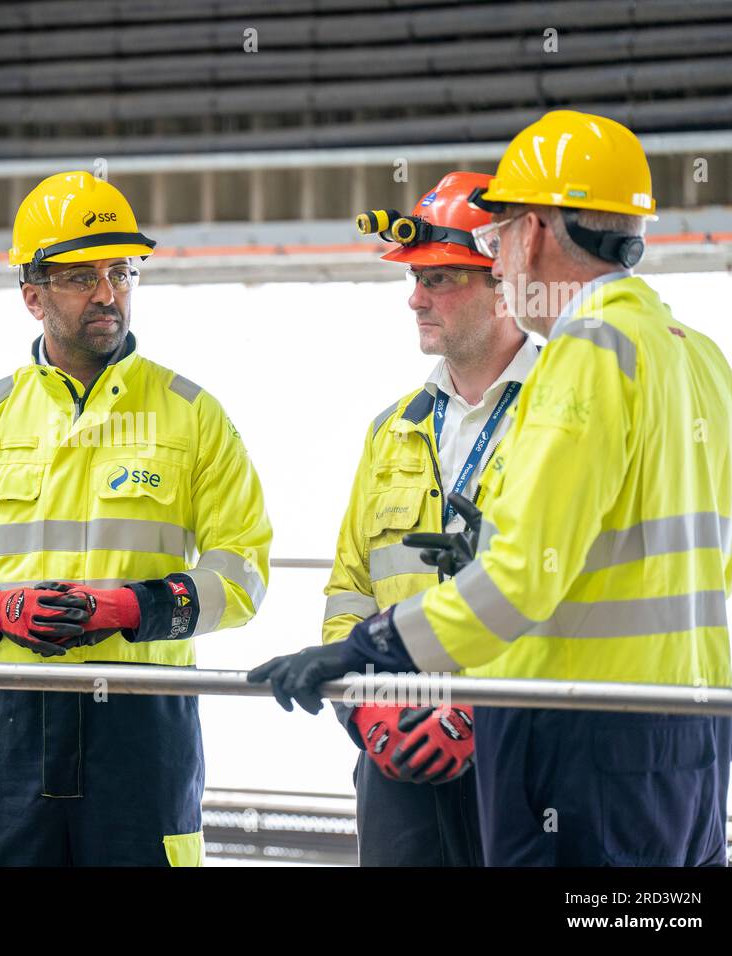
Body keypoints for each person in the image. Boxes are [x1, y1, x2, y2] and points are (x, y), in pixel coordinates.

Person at [252, 110, 732, 866]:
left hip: (584, 736)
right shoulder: (698, 356)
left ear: (535, 230)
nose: (502, 260)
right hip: (692, 733)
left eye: (494, 239)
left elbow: (518, 580)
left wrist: (370, 650)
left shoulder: (588, 349)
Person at [0, 171, 272, 866]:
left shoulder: (193, 414)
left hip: (143, 720)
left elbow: (243, 574)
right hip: (12, 720)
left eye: (121, 272)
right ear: (31, 296)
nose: (108, 293)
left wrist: (133, 607)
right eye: (81, 277)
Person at [326, 171, 539, 865]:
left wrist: (480, 713)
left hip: (519, 753)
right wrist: (365, 710)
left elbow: (577, 593)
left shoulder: (562, 414)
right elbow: (349, 592)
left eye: (440, 279)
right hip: (396, 756)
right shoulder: (392, 430)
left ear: (503, 284)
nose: (415, 299)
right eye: (414, 279)